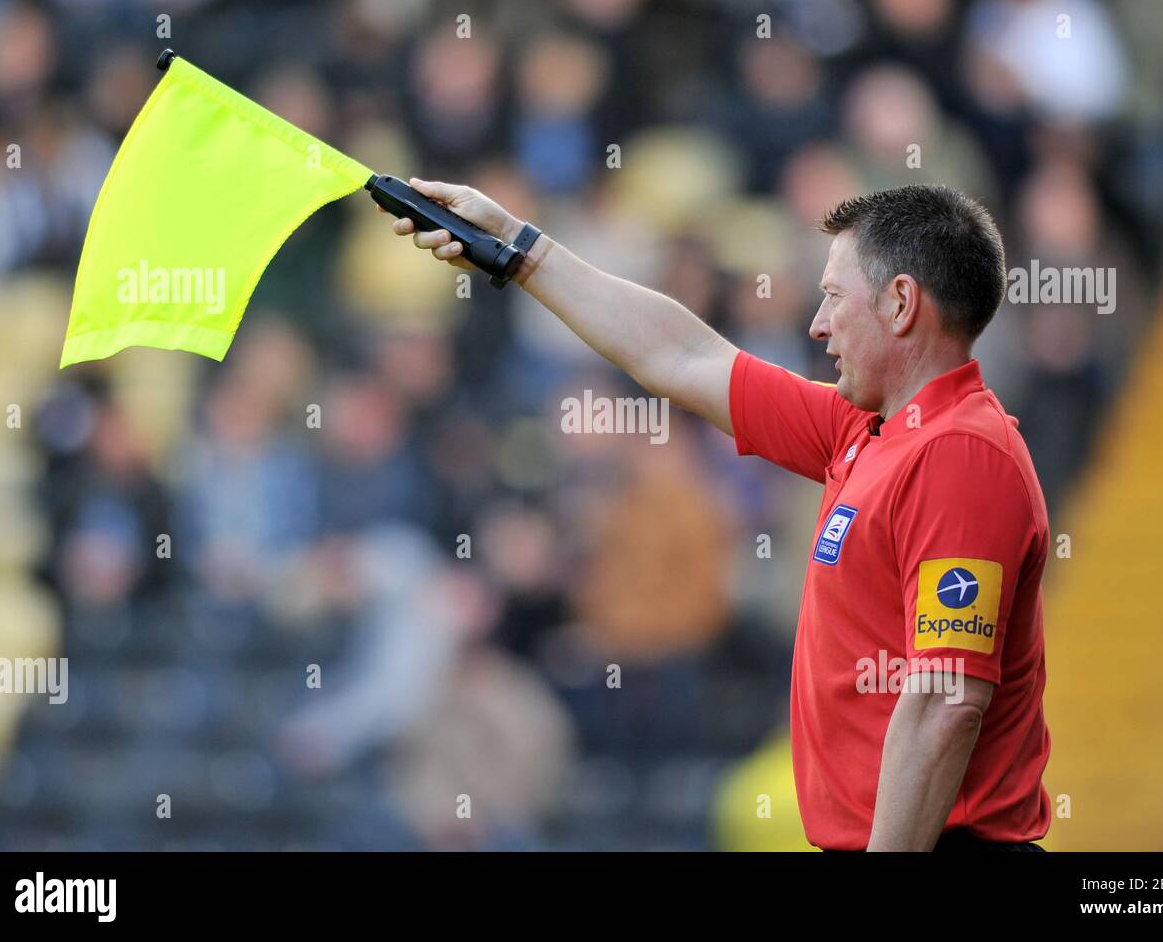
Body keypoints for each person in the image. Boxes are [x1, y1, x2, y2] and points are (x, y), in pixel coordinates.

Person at [380, 179, 1051, 852]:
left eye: (833, 297)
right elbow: (680, 355)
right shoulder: (868, 431)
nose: (818, 324)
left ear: (902, 303)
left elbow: (946, 700)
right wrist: (519, 250)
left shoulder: (960, 455)